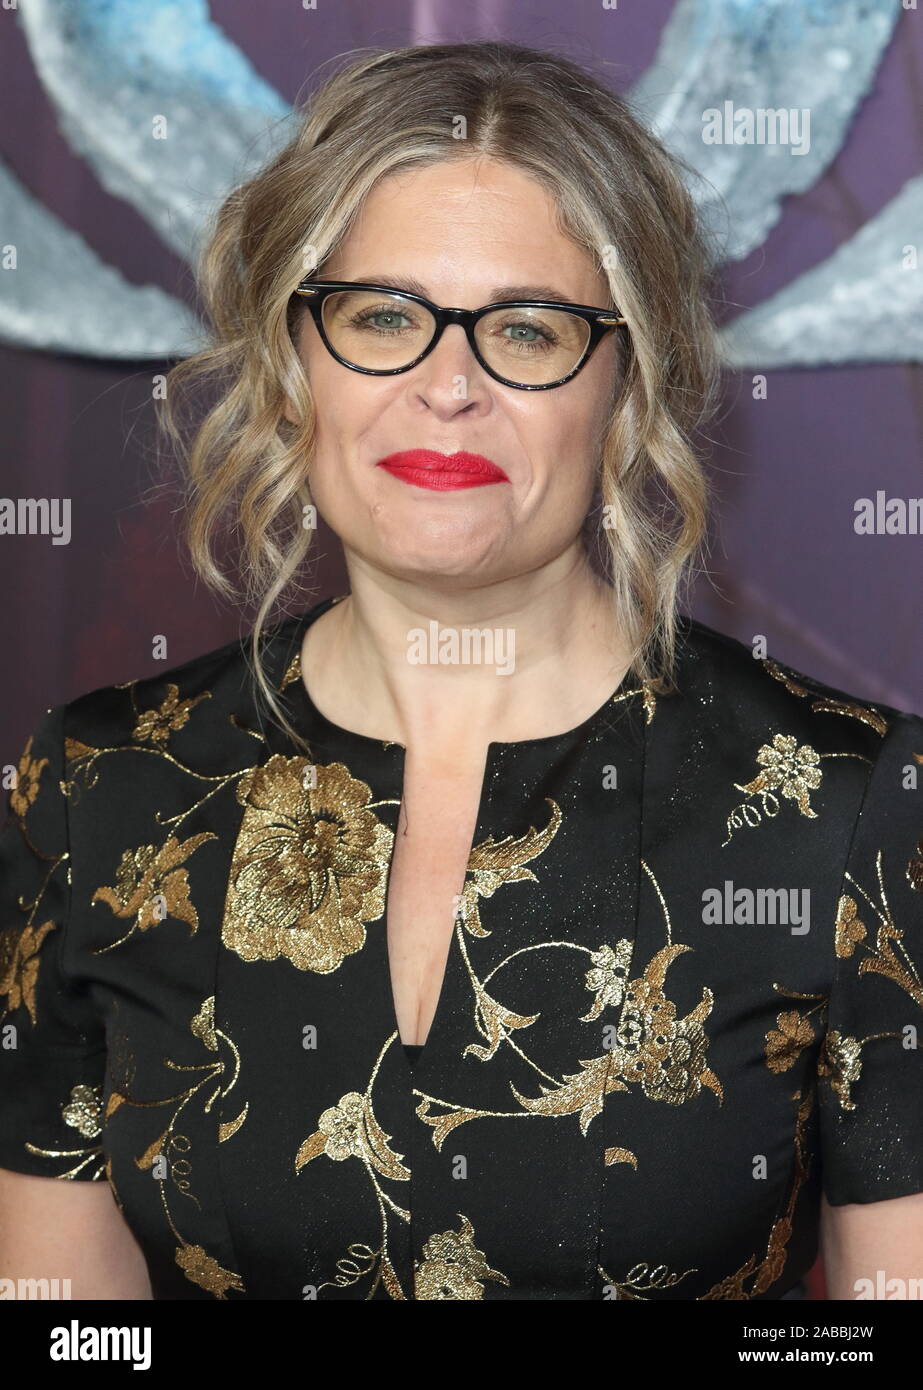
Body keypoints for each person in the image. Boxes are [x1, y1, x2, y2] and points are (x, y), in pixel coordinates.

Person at [1, 39, 921, 1302]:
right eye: (382, 316)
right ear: (289, 365)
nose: (448, 387)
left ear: (626, 380)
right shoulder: (98, 789)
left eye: (527, 330)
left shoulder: (850, 804)